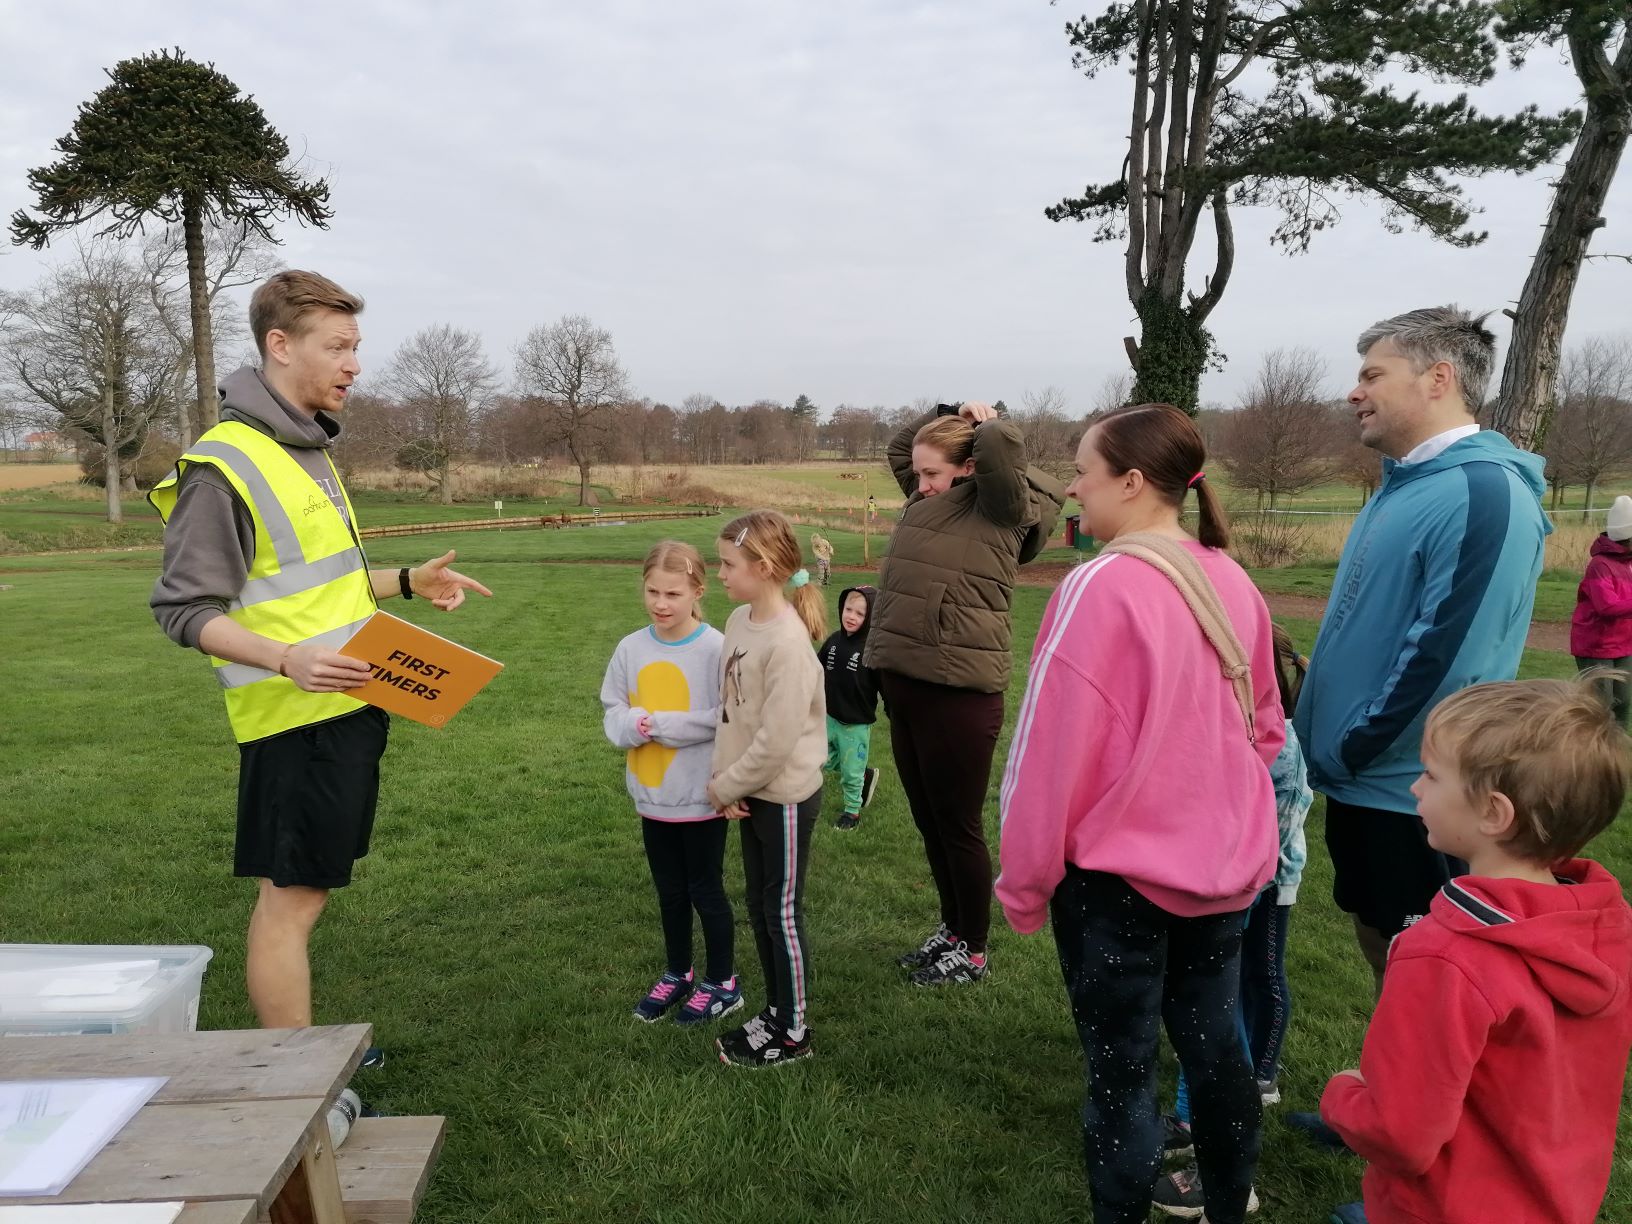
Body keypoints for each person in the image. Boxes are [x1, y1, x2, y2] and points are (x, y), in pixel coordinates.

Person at [148, 270, 492, 1030]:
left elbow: (309, 582)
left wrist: (404, 580)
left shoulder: (303, 448)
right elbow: (183, 609)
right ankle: (294, 1089)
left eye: (355, 346)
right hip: (292, 719)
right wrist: (285, 660)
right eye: (337, 347)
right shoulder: (224, 465)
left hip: (346, 707)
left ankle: (301, 1069)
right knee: (290, 902)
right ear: (279, 345)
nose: (354, 365)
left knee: (308, 893)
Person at [997, 403, 1285, 1224]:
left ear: (1131, 481)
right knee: (1217, 1048)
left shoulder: (1100, 584)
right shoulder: (1232, 576)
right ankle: (1227, 1208)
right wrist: (1211, 810)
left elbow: (1048, 757)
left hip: (1117, 887)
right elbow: (1267, 729)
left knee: (1121, 1074)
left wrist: (1023, 885)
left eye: (1083, 471)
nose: (1074, 490)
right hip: (1226, 877)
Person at [1294, 307, 1549, 1002]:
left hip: (1411, 786)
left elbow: (1448, 655)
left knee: (1430, 974)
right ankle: (1391, 1109)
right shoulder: (1407, 484)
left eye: (1373, 373)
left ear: (1438, 379)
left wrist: (1352, 743)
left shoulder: (1483, 492)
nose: (1355, 391)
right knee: (1386, 947)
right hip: (1366, 779)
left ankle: (1429, 1113)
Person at [1319, 679, 1632, 1224]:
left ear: (1493, 813)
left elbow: (1401, 1136)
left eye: (1432, 775)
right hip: (1554, 1200)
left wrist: (1341, 1094)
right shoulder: (1606, 928)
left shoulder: (1444, 956)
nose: (1416, 788)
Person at [865, 401, 1064, 986]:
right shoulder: (930, 498)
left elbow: (1004, 446)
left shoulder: (1000, 508)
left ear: (972, 467)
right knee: (929, 820)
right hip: (905, 682)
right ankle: (951, 930)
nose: (919, 484)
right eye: (921, 475)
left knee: (958, 826)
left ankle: (973, 948)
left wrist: (986, 420)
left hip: (958, 693)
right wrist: (946, 410)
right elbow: (902, 448)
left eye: (932, 474)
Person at [1156, 624, 1314, 1216]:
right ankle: (1203, 1109)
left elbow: (1268, 828)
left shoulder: (1284, 746)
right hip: (1221, 886)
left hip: (1261, 888)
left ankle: (1244, 1099)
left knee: (1248, 990)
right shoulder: (1229, 728)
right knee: (1215, 1002)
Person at [601, 540, 740, 1027]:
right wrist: (631, 726)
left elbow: (726, 717)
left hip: (703, 796)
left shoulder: (717, 647)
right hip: (652, 796)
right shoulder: (630, 647)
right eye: (653, 592)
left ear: (698, 591)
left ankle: (724, 984)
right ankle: (679, 971)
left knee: (706, 890)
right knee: (670, 891)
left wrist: (657, 724)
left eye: (673, 594)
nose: (661, 603)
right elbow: (613, 710)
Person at [708, 510, 828, 1067]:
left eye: (728, 564)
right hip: (749, 791)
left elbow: (777, 743)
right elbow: (733, 713)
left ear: (763, 567)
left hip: (783, 798)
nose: (720, 573)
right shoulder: (738, 620)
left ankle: (794, 1028)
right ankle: (777, 1011)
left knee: (781, 911)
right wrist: (725, 782)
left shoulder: (788, 644)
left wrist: (727, 785)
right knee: (758, 905)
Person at [819, 584, 881, 831]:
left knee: (850, 775)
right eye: (848, 609)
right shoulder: (834, 640)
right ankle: (864, 773)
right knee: (817, 759)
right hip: (829, 717)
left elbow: (884, 684)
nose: (851, 616)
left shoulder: (873, 650)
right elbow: (816, 667)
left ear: (871, 618)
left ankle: (852, 811)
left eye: (859, 613)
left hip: (855, 724)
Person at [1570, 493, 1632, 727]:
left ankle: (1617, 758)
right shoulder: (1600, 566)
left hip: (1624, 644)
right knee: (1599, 708)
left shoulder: (1628, 562)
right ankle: (1590, 758)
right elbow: (1607, 607)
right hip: (1596, 646)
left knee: (1623, 705)